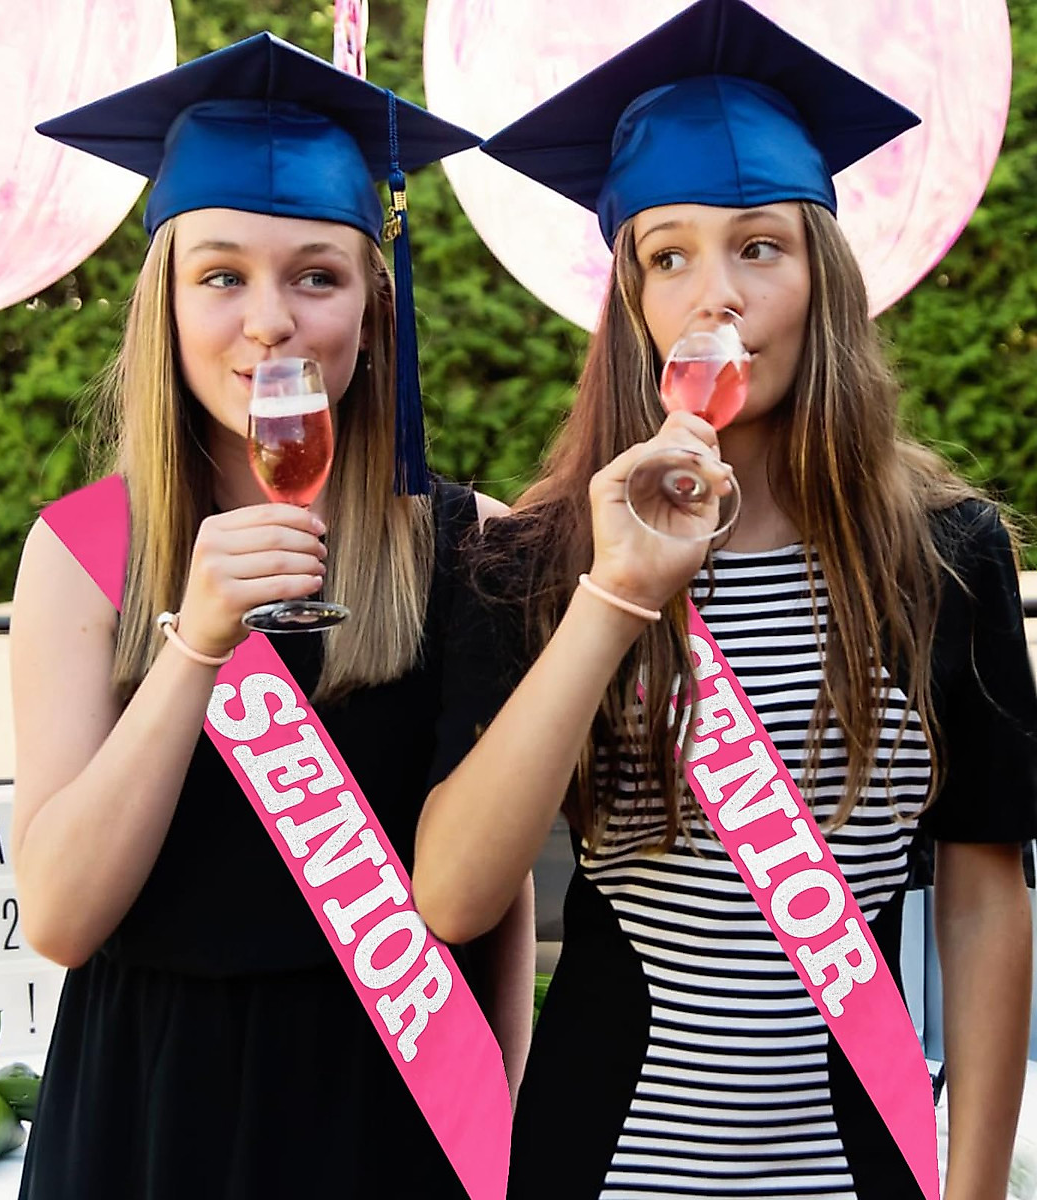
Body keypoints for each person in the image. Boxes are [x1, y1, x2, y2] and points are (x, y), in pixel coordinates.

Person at [411, 1, 1037, 1197]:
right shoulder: (540, 558)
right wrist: (616, 591)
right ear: (634, 304)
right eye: (670, 255)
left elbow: (982, 898)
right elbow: (452, 893)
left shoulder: (946, 557)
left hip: (864, 1156)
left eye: (760, 247)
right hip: (608, 1154)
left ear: (823, 278)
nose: (717, 296)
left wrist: (977, 1188)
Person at [9, 32, 533, 1200]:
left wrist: (493, 1119)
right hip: (150, 1109)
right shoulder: (83, 552)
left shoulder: (467, 545)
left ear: (371, 305)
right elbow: (58, 916)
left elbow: (490, 907)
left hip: (390, 1098)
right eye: (221, 276)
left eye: (316, 275)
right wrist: (193, 645)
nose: (269, 322)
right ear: (166, 304)